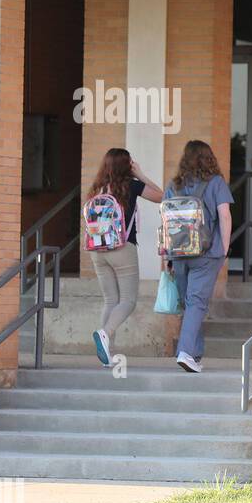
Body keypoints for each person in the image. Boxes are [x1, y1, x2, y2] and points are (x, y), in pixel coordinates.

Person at [85, 148, 164, 366]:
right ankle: (105, 333)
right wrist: (140, 174)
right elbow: (162, 196)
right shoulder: (130, 185)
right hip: (122, 248)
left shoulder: (96, 189)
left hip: (97, 250)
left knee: (110, 300)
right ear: (127, 166)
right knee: (128, 301)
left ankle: (106, 353)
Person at [163, 140, 233, 374]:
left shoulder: (174, 184)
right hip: (207, 251)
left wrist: (167, 257)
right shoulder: (216, 183)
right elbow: (224, 215)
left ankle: (193, 352)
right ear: (209, 158)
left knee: (189, 303)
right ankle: (184, 352)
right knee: (197, 303)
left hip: (179, 252)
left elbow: (165, 222)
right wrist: (224, 249)